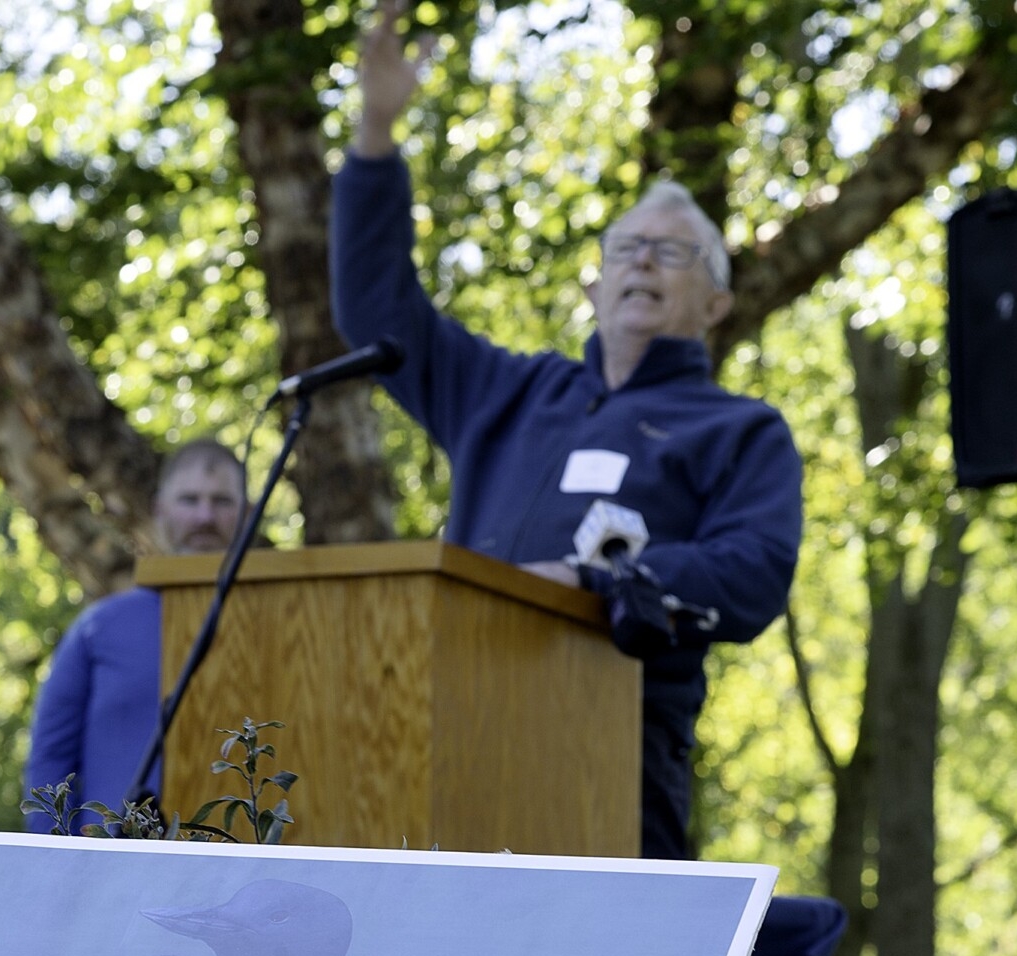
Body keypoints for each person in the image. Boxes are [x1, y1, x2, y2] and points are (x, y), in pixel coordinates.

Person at [330, 0, 804, 859]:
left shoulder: (740, 431)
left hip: (615, 753)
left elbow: (754, 573)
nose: (643, 264)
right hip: (453, 732)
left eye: (674, 253)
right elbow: (375, 314)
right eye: (625, 249)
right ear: (593, 288)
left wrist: (597, 580)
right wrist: (374, 131)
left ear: (717, 304)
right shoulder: (506, 392)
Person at [23, 439, 247, 831]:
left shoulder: (282, 631)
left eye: (222, 501)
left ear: (246, 513)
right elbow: (50, 762)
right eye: (190, 500)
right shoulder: (99, 628)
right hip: (114, 872)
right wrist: (55, 868)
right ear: (160, 510)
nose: (205, 516)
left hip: (252, 866)